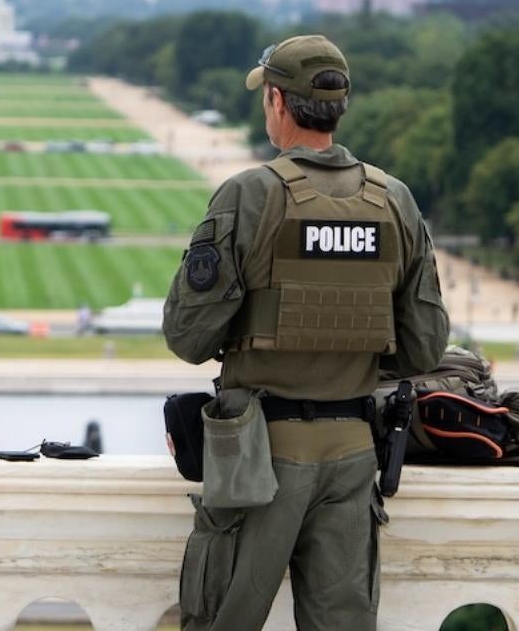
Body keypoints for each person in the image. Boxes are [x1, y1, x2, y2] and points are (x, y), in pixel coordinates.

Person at [163, 35, 450, 631]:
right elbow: (424, 347)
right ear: (337, 106)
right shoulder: (393, 200)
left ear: (276, 101)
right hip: (352, 454)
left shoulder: (251, 195)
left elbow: (187, 336)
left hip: (257, 458)